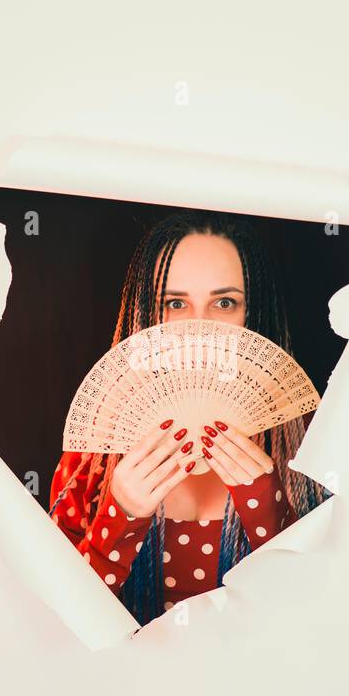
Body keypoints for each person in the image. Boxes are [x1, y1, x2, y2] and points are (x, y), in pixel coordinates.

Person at [49, 210, 328, 624]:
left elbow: (326, 620)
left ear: (254, 315)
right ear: (147, 314)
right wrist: (119, 515)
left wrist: (269, 511)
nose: (199, 327)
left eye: (224, 302)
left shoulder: (311, 445)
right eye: (175, 303)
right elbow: (56, 630)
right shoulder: (94, 459)